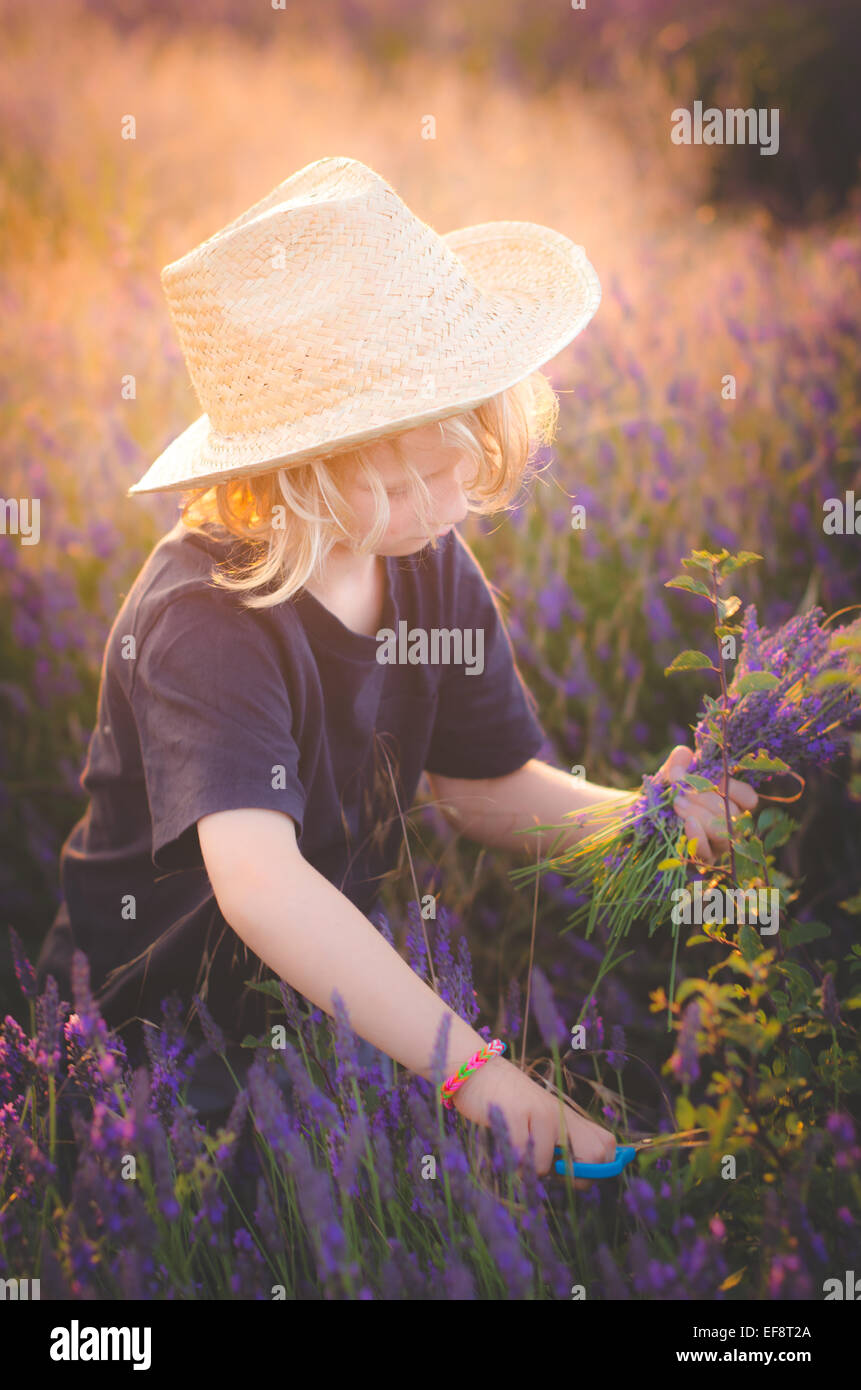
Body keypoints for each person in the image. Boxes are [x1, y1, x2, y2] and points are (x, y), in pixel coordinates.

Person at [36, 156, 757, 1174]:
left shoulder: (423, 555)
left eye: (462, 462)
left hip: (336, 979)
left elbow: (481, 784)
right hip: (167, 1017)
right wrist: (481, 1079)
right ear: (289, 471)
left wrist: (636, 821)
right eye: (407, 477)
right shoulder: (205, 617)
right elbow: (264, 887)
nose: (448, 502)